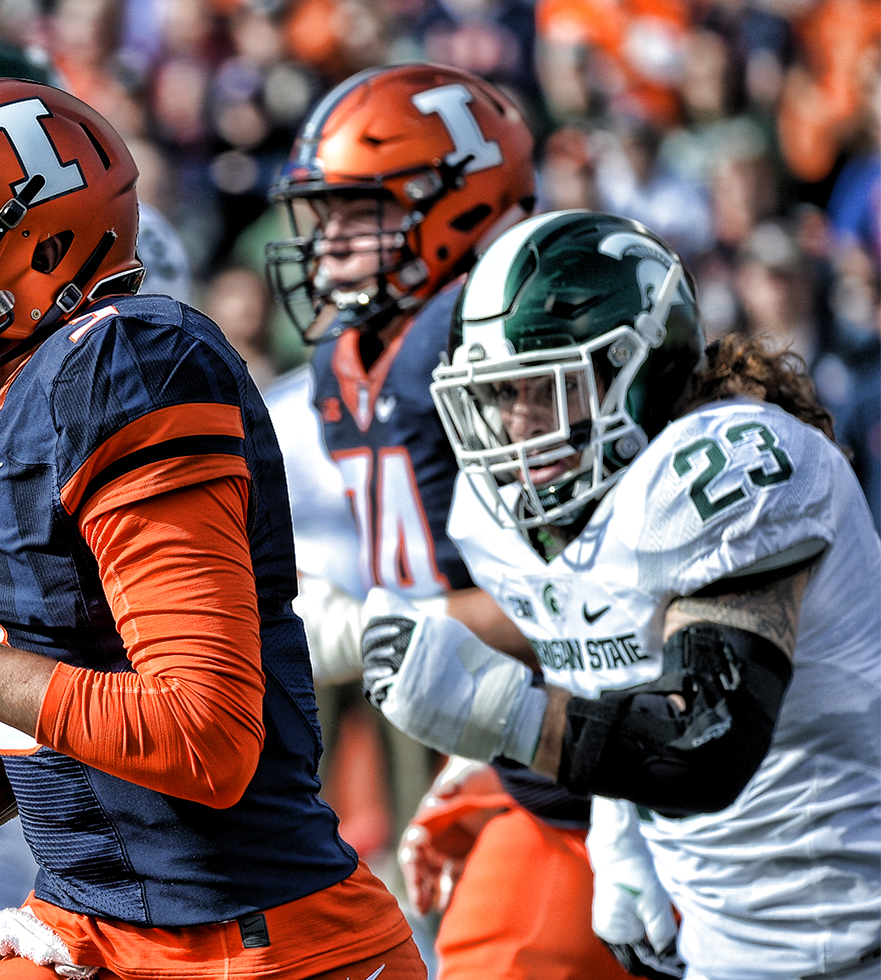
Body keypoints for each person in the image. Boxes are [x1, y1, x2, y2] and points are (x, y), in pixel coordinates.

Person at [0, 77, 422, 980]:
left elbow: (203, 735)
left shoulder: (128, 367)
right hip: (87, 921)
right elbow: (74, 673)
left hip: (253, 941)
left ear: (42, 242)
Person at [362, 209, 881, 980]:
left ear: (640, 371)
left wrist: (496, 714)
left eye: (546, 389)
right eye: (501, 398)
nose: (519, 426)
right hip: (725, 947)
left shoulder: (728, 468)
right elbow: (611, 664)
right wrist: (619, 831)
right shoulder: (529, 516)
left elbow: (702, 739)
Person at [265, 62, 637, 979]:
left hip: (624, 753)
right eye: (327, 215)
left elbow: (588, 593)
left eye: (360, 211)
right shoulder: (356, 354)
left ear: (459, 201)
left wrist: (374, 627)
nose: (331, 243)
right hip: (516, 747)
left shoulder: (512, 346)